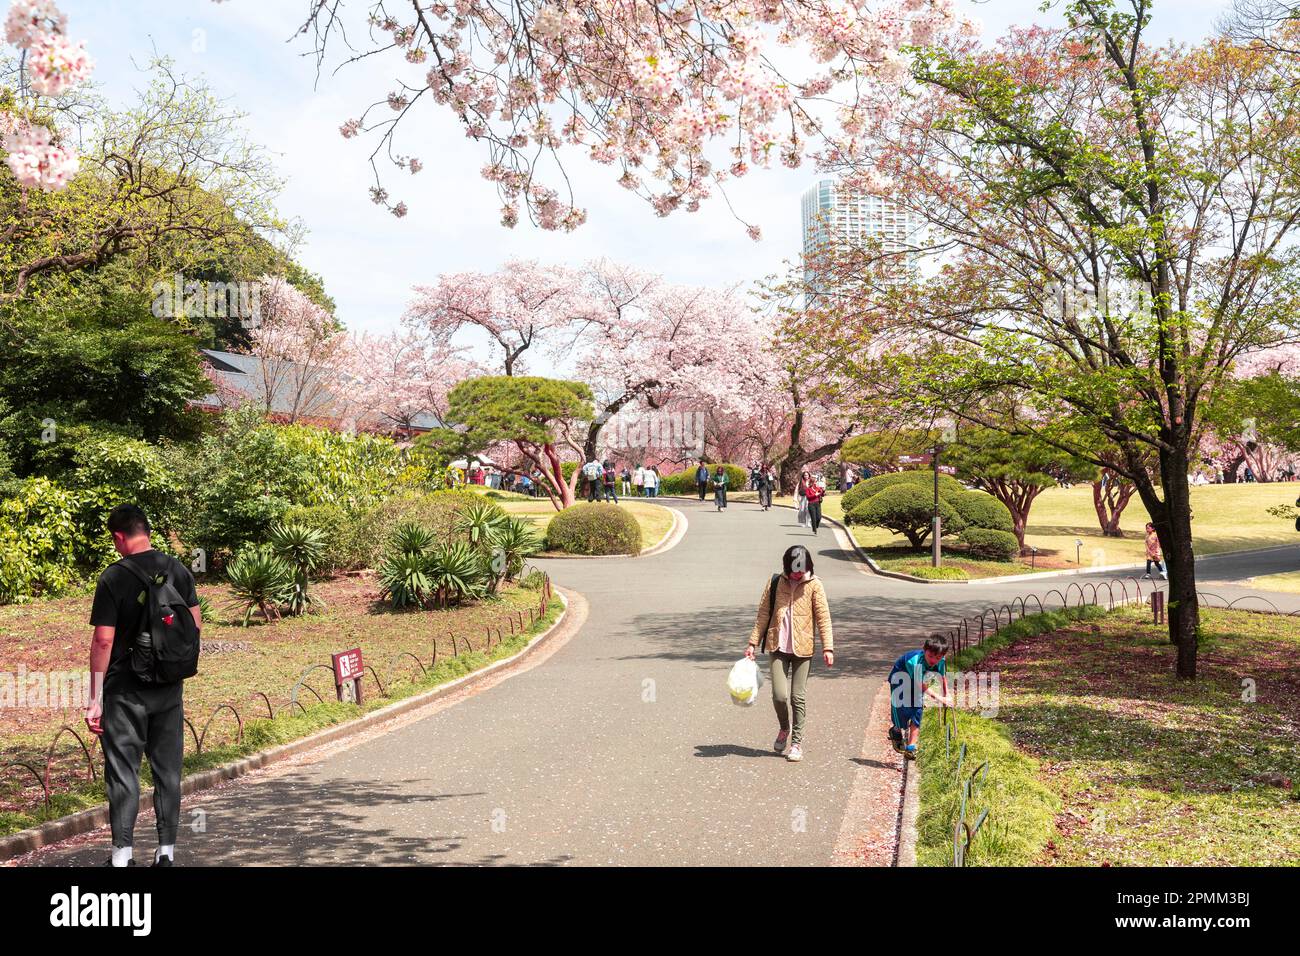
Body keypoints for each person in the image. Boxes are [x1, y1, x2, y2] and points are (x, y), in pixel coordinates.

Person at [85, 504, 201, 867]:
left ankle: (122, 856)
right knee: (167, 770)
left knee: (123, 771)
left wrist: (93, 697)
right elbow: (194, 627)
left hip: (124, 693)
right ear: (146, 531)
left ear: (119, 537)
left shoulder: (113, 578)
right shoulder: (178, 570)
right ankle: (166, 853)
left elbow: (103, 641)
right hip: (168, 688)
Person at [745, 545, 835, 762]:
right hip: (777, 646)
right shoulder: (775, 581)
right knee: (779, 695)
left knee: (797, 696)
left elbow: (823, 617)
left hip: (803, 648)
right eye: (794, 569)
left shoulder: (815, 585)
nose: (798, 573)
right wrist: (752, 643)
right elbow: (763, 614)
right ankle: (784, 728)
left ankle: (796, 743)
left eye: (801, 569)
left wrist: (828, 647)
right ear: (786, 565)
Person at [887, 634, 953, 760]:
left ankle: (911, 748)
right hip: (901, 679)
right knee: (901, 710)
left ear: (943, 656)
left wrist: (947, 694)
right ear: (924, 650)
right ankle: (896, 730)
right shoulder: (915, 661)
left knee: (917, 712)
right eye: (931, 656)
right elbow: (920, 685)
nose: (934, 660)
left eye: (938, 657)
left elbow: (942, 676)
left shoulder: (941, 661)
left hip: (918, 681)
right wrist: (940, 698)